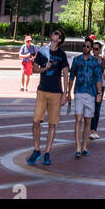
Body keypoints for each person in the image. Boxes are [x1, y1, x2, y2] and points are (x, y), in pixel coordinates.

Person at [27, 28, 70, 167]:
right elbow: (34, 69)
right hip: (42, 90)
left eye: (56, 34)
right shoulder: (43, 51)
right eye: (53, 32)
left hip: (56, 93)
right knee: (35, 121)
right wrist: (44, 68)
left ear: (59, 39)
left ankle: (47, 152)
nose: (53, 34)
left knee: (52, 124)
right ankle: (37, 149)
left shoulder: (61, 54)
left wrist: (66, 94)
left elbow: (65, 74)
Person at [68, 37, 104, 159]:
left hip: (91, 93)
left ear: (91, 48)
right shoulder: (77, 60)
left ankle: (84, 146)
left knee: (88, 121)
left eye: (88, 46)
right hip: (79, 92)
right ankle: (78, 147)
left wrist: (99, 93)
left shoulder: (95, 62)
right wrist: (68, 93)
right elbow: (71, 76)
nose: (85, 48)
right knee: (78, 119)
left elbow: (98, 78)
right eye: (84, 46)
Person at [90, 41, 105, 139]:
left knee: (97, 109)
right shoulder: (88, 59)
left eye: (96, 49)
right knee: (89, 108)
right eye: (93, 49)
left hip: (99, 87)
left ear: (99, 50)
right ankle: (89, 129)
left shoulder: (103, 61)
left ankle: (93, 130)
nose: (94, 51)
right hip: (89, 87)